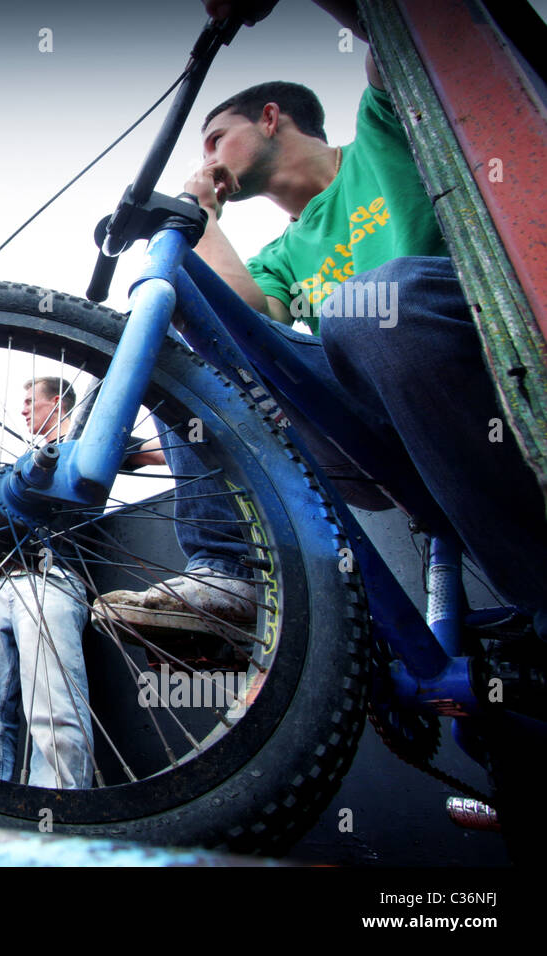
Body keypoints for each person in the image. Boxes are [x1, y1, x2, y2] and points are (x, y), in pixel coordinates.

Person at [102, 1, 547, 635]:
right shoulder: (280, 257)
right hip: (379, 429)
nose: (205, 160)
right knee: (196, 336)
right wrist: (200, 215)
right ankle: (224, 577)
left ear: (271, 118)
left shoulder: (380, 133)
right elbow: (252, 338)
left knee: (366, 306)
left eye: (215, 140)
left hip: (476, 357)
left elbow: (402, 27)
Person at [0, 378, 164, 788]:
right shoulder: (12, 468)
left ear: (56, 402)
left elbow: (163, 453)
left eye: (30, 400)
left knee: (53, 708)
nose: (22, 410)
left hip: (53, 576)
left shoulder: (92, 444)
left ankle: (59, 819)